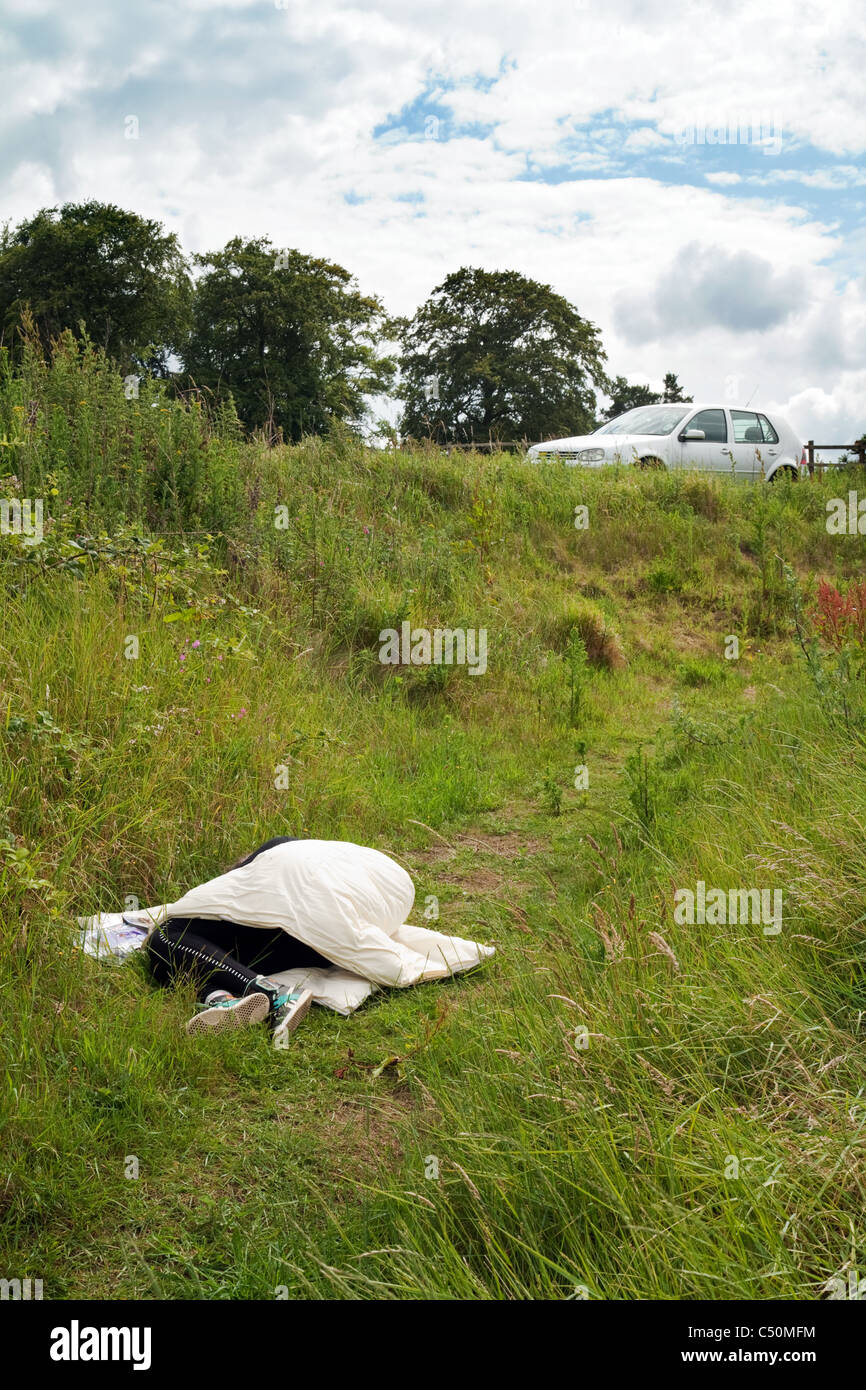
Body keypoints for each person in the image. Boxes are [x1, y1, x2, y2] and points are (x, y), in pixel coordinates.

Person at [147, 837, 327, 1041]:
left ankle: (273, 992)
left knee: (165, 938)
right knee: (180, 960)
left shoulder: (279, 848)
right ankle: (221, 997)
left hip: (293, 934)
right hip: (316, 946)